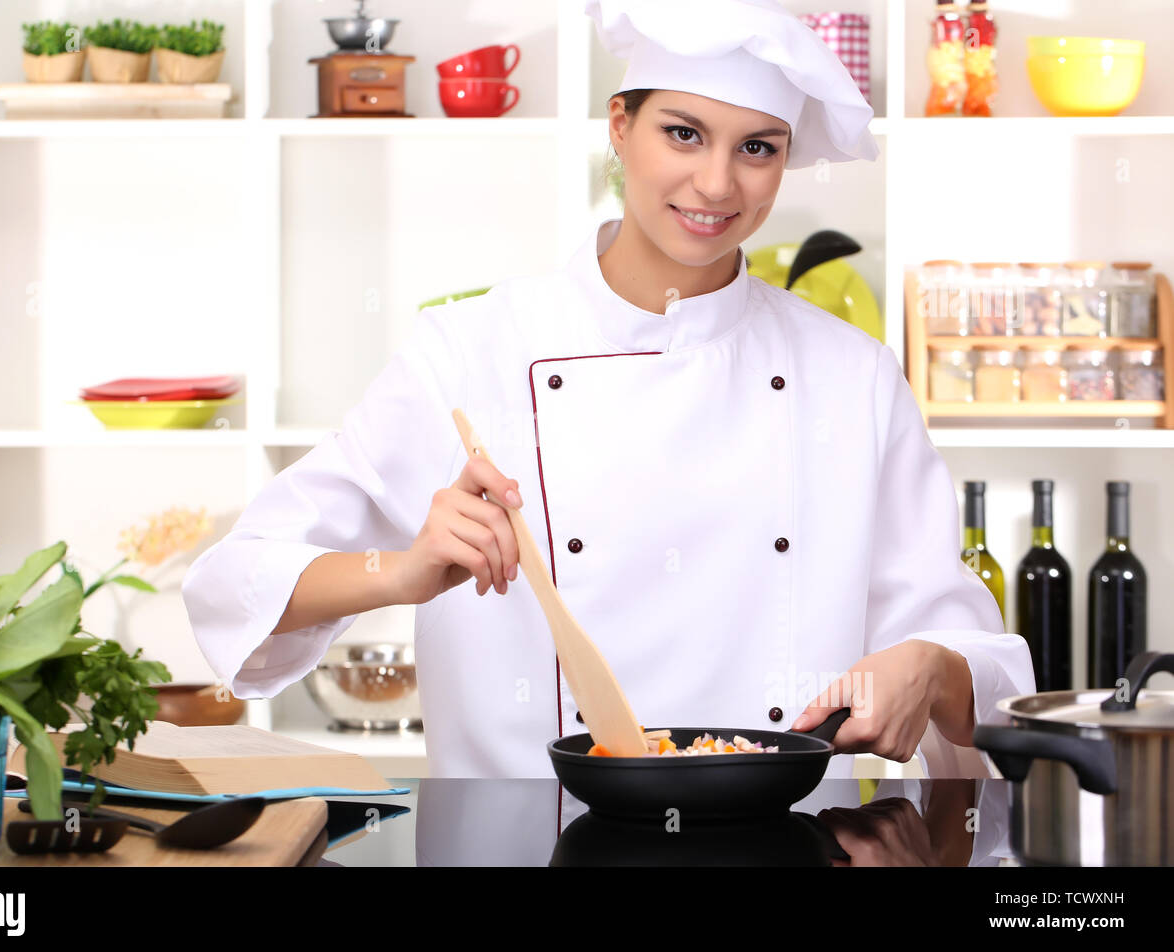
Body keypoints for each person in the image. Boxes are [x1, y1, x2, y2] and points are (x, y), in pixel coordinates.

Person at [181, 0, 1034, 779]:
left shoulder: (851, 377)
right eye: (684, 133)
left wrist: (932, 666)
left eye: (757, 148)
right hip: (522, 844)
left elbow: (982, 675)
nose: (715, 185)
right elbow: (235, 585)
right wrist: (403, 571)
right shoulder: (472, 351)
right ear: (619, 127)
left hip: (780, 848)